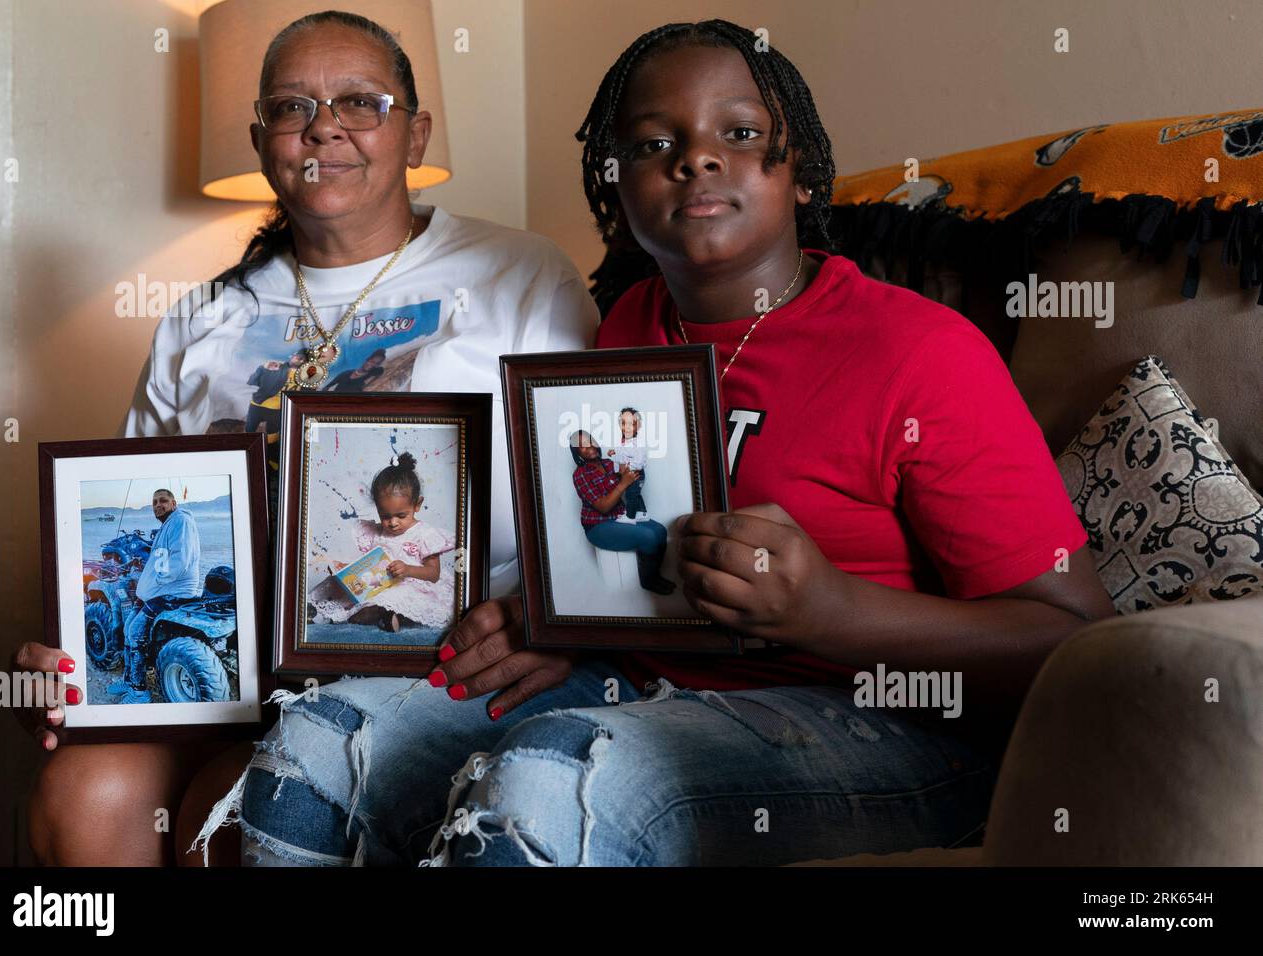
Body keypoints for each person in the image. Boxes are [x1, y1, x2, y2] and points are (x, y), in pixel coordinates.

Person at [201, 18, 1111, 868]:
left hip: (882, 717)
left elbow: (1077, 641)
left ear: (801, 169)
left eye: (742, 133)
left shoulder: (920, 351)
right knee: (318, 744)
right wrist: (552, 620)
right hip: (634, 684)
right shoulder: (623, 328)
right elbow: (608, 552)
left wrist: (833, 610)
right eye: (651, 145)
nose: (697, 158)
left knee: (555, 776)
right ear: (616, 185)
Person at [17, 10, 598, 866]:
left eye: (360, 101)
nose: (325, 125)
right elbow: (119, 497)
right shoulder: (203, 316)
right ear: (262, 140)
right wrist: (68, 652)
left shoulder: (522, 274)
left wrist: (552, 624)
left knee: (231, 806)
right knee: (85, 790)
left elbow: (588, 492)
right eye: (293, 107)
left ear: (415, 131)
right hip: (230, 667)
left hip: (421, 666)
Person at [312, 452, 456, 632]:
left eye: (401, 515)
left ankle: (389, 615)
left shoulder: (425, 534)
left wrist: (408, 569)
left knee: (395, 596)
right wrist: (346, 568)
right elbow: (369, 565)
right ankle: (325, 611)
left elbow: (433, 574)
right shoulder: (377, 532)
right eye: (385, 516)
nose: (393, 523)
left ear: (417, 505)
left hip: (413, 587)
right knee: (344, 591)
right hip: (378, 585)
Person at [106, 489, 202, 704]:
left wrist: (157, 579)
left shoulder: (180, 521)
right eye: (154, 502)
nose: (158, 505)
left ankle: (140, 692)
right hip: (158, 593)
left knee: (136, 632)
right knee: (128, 628)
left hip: (173, 593)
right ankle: (130, 681)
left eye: (163, 501)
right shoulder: (167, 524)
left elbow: (180, 558)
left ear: (174, 504)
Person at [569, 429, 674, 594]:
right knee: (648, 537)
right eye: (582, 446)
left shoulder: (609, 463)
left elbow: (630, 473)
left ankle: (653, 574)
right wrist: (623, 483)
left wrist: (632, 462)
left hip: (620, 517)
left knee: (660, 531)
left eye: (591, 441)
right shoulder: (580, 475)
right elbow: (603, 506)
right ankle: (649, 582)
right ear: (576, 452)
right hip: (598, 525)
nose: (589, 446)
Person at [607, 407, 649, 522]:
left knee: (631, 495)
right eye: (624, 424)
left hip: (635, 474)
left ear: (638, 426)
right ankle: (642, 513)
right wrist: (613, 453)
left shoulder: (638, 444)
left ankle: (630, 517)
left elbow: (639, 463)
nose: (628, 428)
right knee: (635, 494)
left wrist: (627, 467)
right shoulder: (623, 441)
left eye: (632, 424)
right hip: (628, 473)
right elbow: (622, 456)